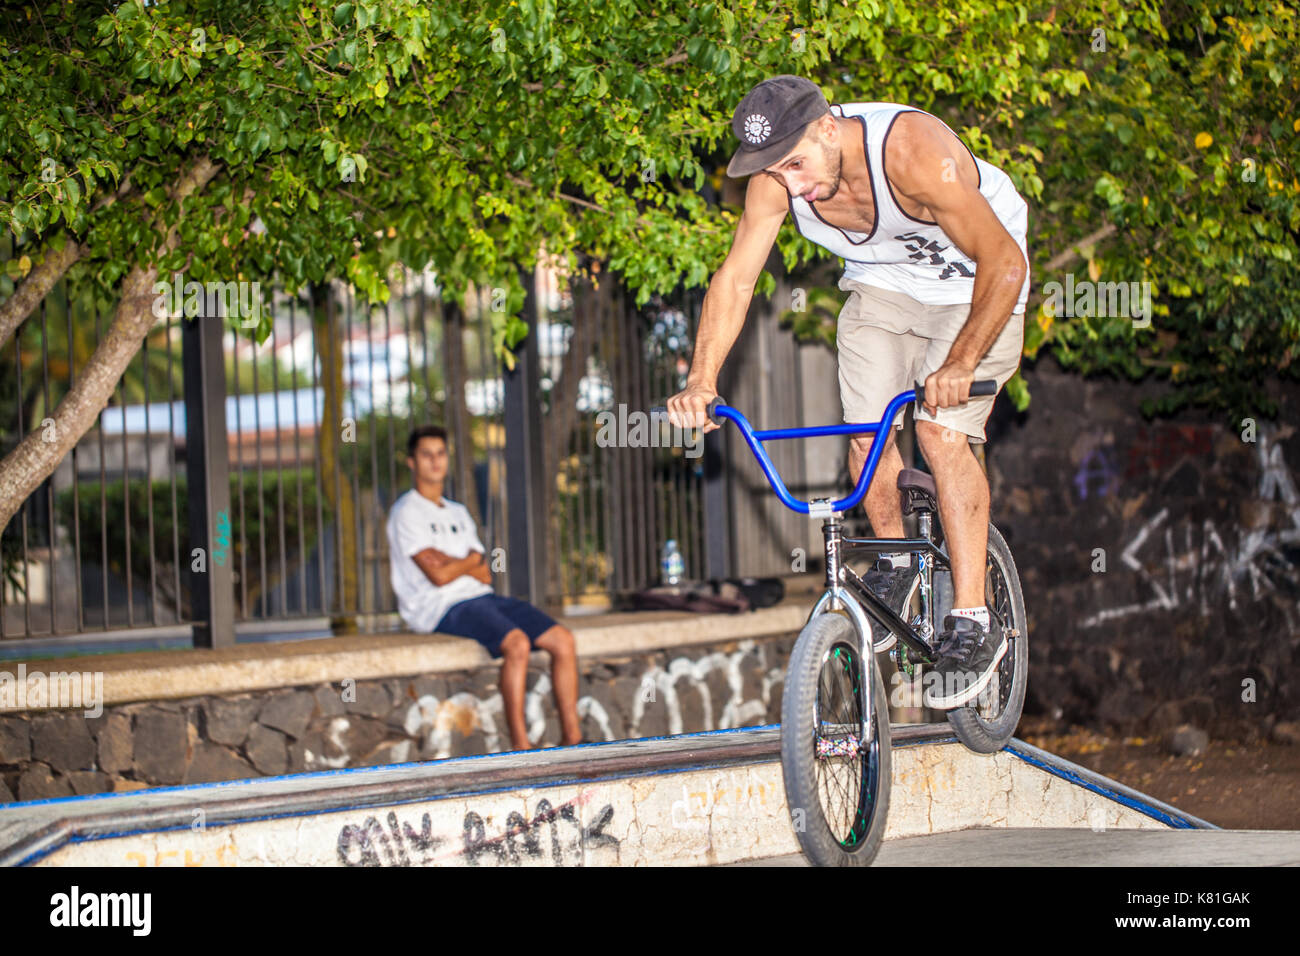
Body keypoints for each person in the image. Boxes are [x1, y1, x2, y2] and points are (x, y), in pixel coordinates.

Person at [666, 75, 1030, 710]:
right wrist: (701, 380)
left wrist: (962, 358)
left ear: (829, 128)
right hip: (882, 291)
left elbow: (1005, 262)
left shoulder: (911, 150)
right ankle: (892, 562)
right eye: (779, 171)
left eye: (799, 164)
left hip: (972, 285)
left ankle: (974, 621)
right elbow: (735, 282)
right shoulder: (777, 179)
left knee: (940, 434)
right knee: (865, 436)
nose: (795, 185)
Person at [386, 425, 582, 750]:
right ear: (411, 462)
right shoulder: (406, 511)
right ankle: (521, 748)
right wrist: (466, 563)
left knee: (563, 640)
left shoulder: (458, 512)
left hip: (481, 597)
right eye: (426, 455)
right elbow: (439, 578)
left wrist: (451, 561)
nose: (435, 462)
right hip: (439, 607)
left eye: (440, 454)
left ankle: (573, 739)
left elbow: (484, 571)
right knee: (516, 643)